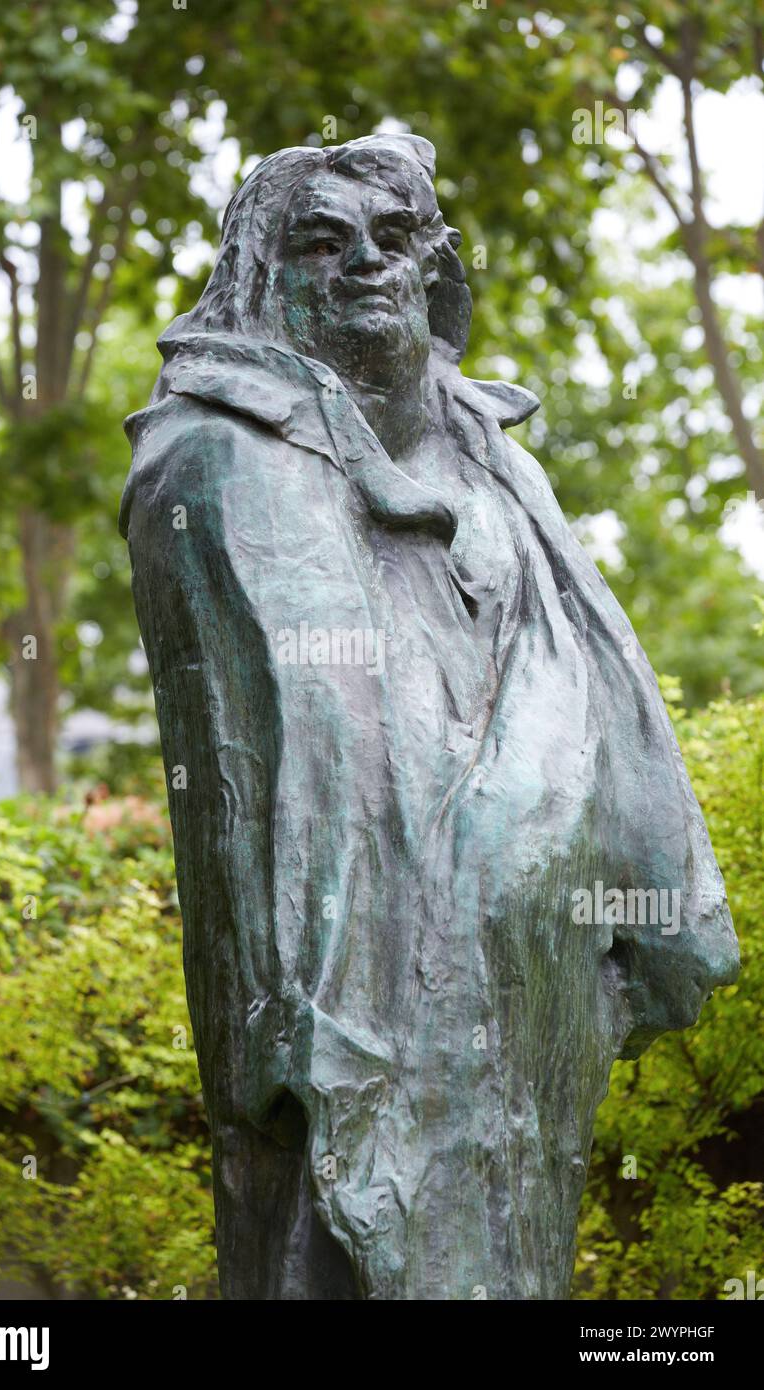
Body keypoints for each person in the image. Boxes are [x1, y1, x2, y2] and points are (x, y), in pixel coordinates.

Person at [120, 134, 739, 1300]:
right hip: (350, 1024)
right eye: (321, 240)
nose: (363, 261)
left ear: (433, 262)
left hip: (525, 1000)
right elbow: (288, 784)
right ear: (265, 274)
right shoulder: (212, 466)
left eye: (391, 236)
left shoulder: (500, 467)